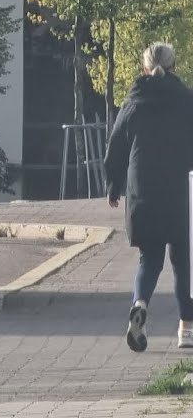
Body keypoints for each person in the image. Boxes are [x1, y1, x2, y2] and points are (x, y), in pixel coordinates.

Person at [104, 42, 193, 352]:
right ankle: (187, 329)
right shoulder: (185, 100)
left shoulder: (135, 100)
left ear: (144, 68)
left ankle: (140, 302)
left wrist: (113, 183)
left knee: (149, 258)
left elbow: (116, 141)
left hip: (142, 189)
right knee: (183, 261)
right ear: (175, 66)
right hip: (179, 189)